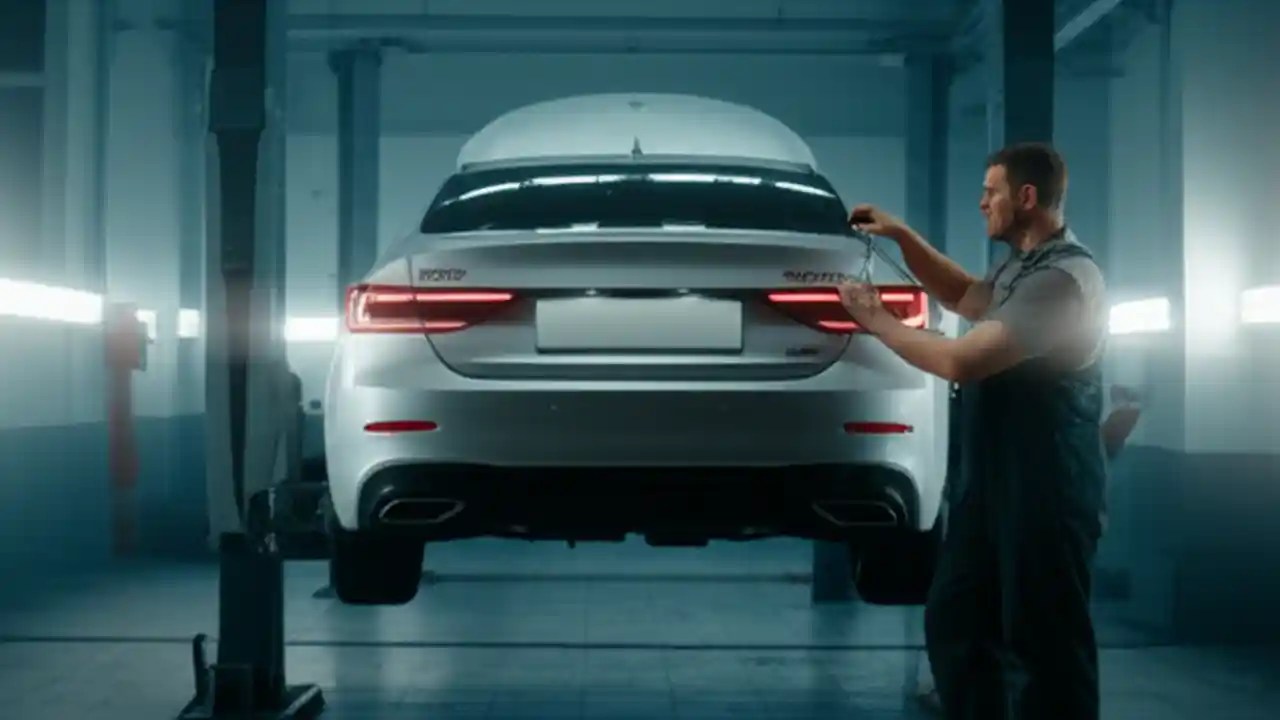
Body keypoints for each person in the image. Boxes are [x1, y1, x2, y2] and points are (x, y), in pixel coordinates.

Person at [838, 142, 1109, 720]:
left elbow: (963, 360)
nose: (981, 202)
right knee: (956, 621)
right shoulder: (1024, 267)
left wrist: (875, 320)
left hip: (1047, 492)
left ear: (1026, 197)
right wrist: (902, 236)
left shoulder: (1062, 282)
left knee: (1045, 647)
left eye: (991, 192)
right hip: (991, 489)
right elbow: (963, 295)